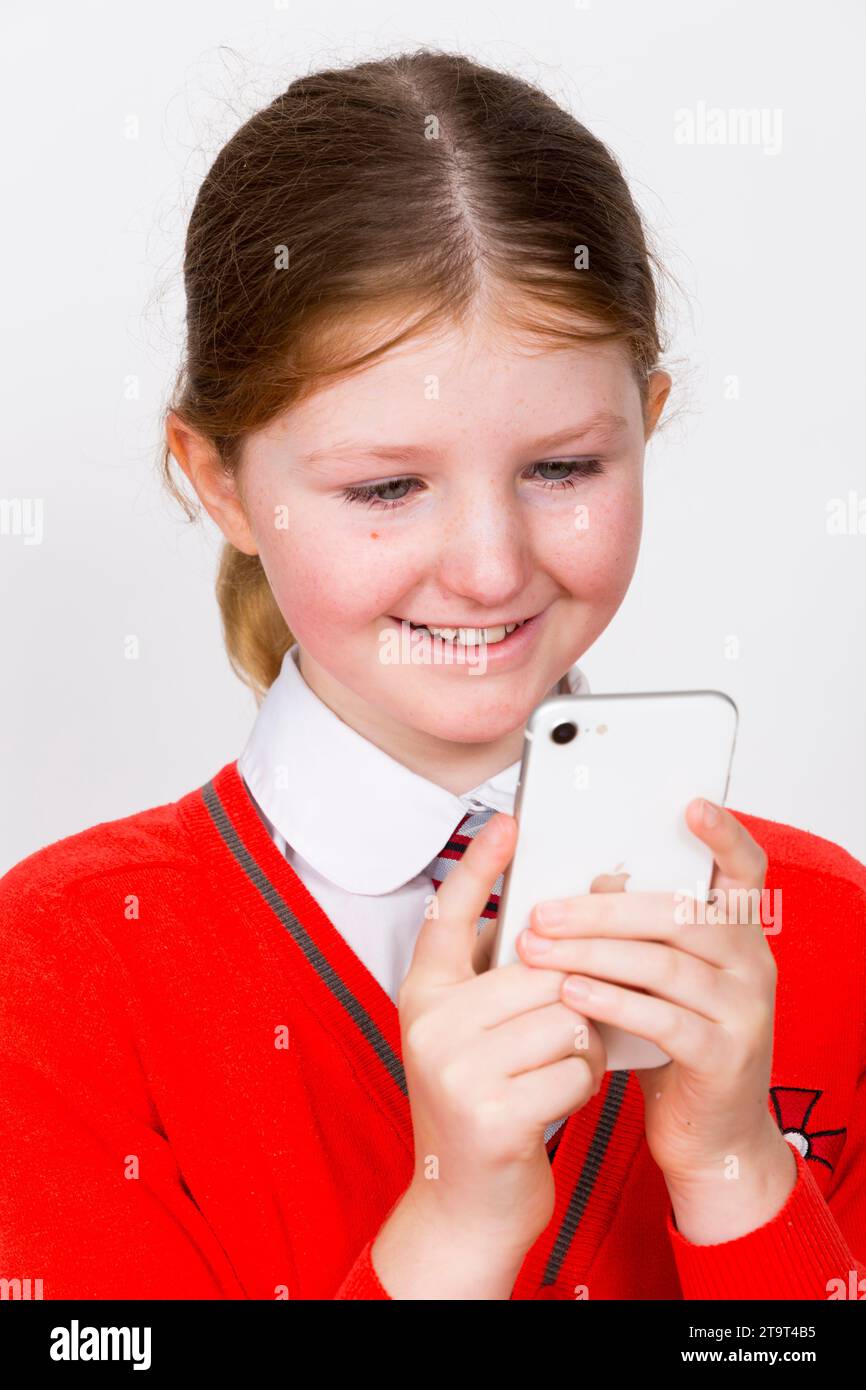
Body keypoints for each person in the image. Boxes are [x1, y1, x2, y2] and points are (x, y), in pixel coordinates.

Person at [1, 48, 864, 1302]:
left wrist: (734, 1168)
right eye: (386, 487)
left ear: (647, 421)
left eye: (563, 467)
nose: (486, 567)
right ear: (220, 480)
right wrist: (452, 1226)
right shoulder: (59, 974)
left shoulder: (822, 924)